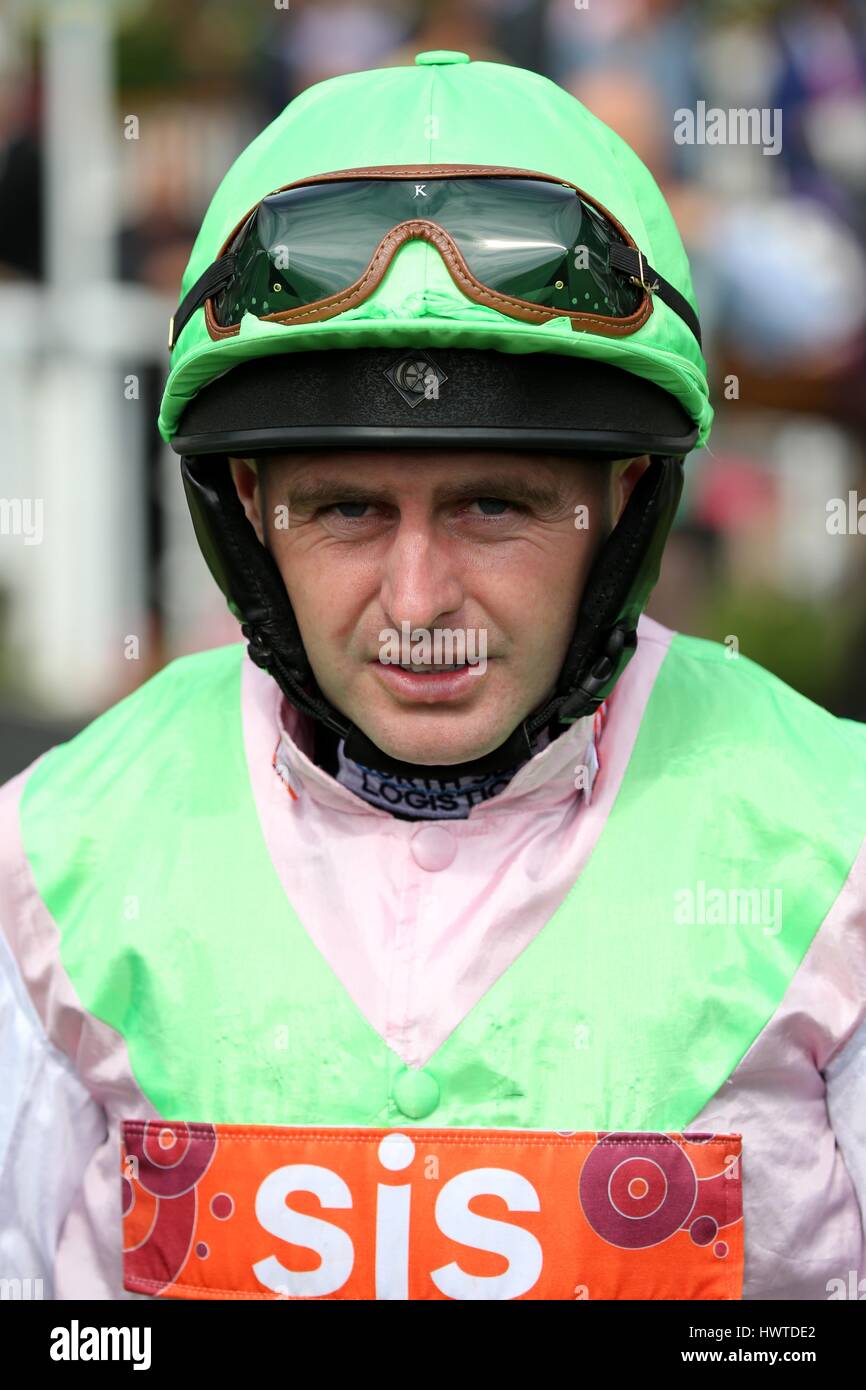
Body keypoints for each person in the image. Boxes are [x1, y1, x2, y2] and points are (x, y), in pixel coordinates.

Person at [1, 50, 864, 1303]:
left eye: (493, 507)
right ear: (245, 507)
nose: (418, 605)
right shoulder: (51, 858)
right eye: (345, 510)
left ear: (622, 500)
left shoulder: (838, 851)